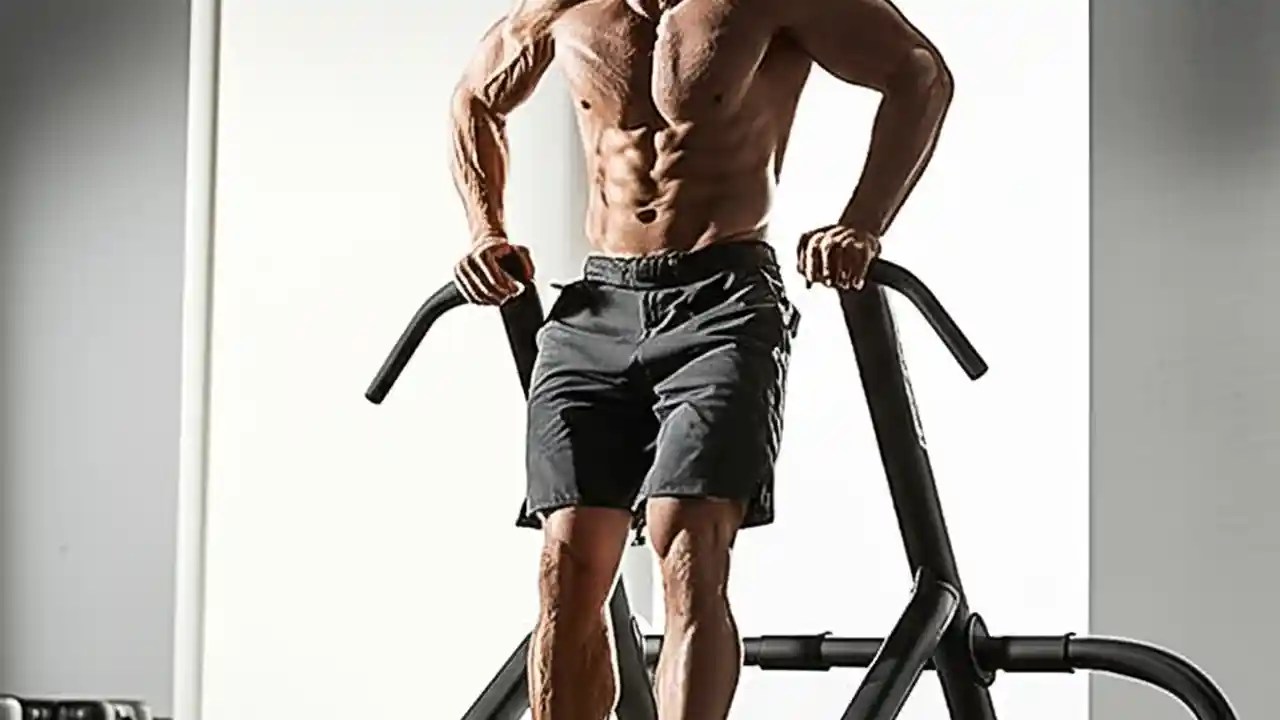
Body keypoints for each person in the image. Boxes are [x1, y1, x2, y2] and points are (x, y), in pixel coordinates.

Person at [448, 0, 952, 717]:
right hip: (598, 301)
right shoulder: (564, 7)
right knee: (567, 564)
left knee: (685, 542)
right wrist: (482, 229)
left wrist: (862, 223)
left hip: (723, 296)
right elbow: (476, 96)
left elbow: (918, 73)